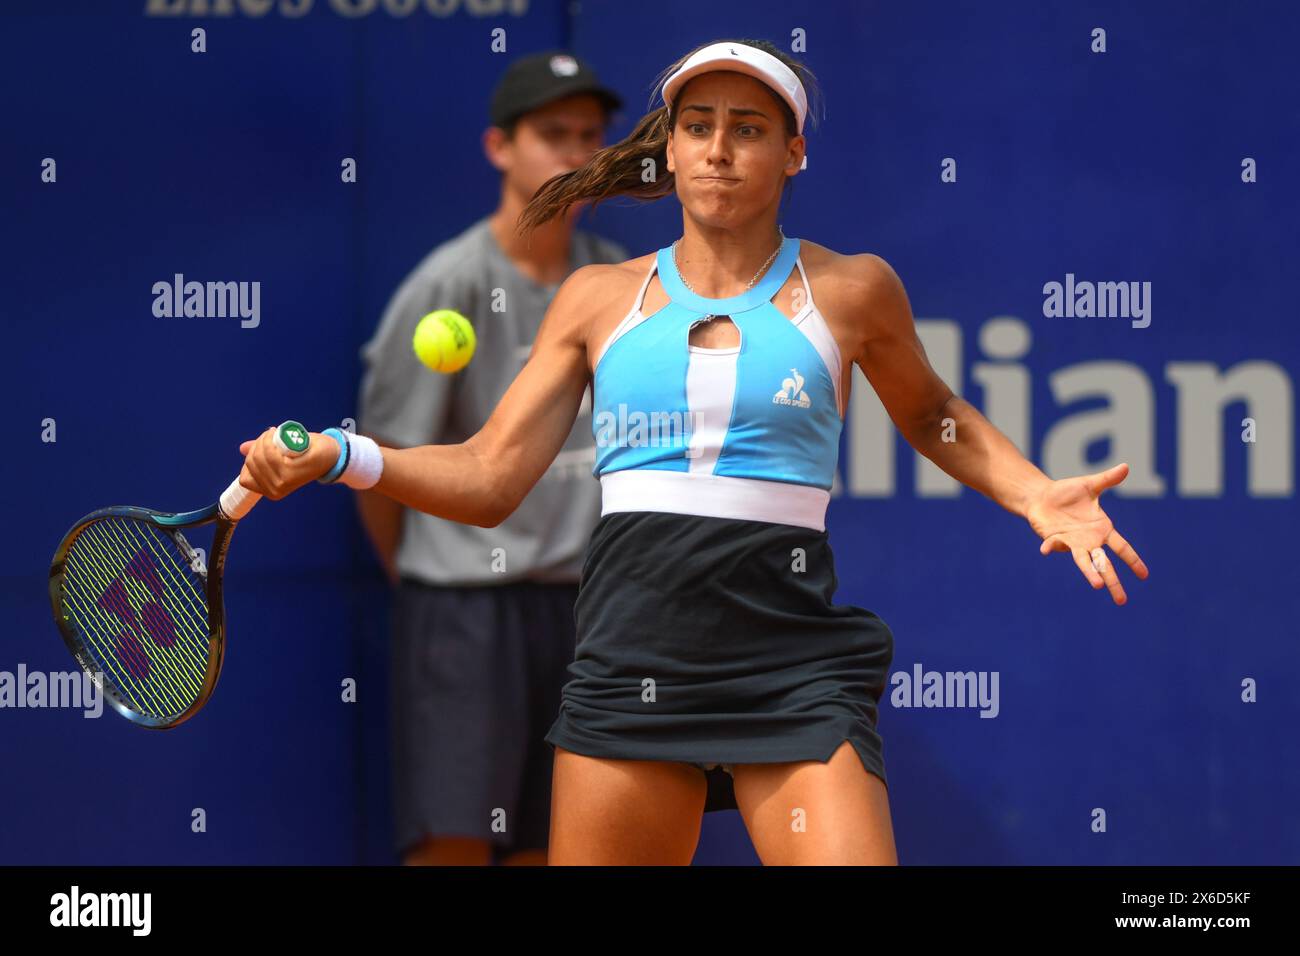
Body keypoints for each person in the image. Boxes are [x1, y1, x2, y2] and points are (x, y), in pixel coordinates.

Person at [237, 37, 1149, 866]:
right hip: (631, 661)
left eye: (748, 129)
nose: (718, 149)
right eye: (698, 125)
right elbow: (488, 477)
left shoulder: (853, 289)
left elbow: (933, 412)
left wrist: (1034, 492)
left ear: (793, 154)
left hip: (793, 664)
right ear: (668, 148)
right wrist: (342, 454)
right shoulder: (597, 298)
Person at [351, 50, 627, 866]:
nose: (574, 154)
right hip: (466, 610)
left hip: (588, 610)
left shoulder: (617, 284)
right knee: (455, 842)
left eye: (589, 136)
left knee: (559, 844)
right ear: (498, 148)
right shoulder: (446, 284)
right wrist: (422, 575)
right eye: (551, 134)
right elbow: (385, 461)